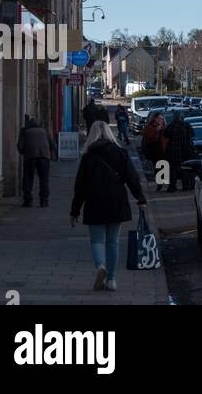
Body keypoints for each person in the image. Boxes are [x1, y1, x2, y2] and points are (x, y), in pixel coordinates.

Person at [70, 120, 147, 292]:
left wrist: (75, 210)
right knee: (113, 242)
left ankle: (100, 266)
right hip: (116, 200)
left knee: (97, 240)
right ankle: (111, 279)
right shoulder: (120, 153)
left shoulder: (88, 156)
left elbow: (80, 186)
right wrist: (140, 199)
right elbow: (132, 178)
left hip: (94, 200)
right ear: (109, 133)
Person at [17, 115, 53, 207]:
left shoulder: (24, 131)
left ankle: (28, 201)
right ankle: (44, 201)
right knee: (44, 179)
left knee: (28, 179)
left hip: (30, 157)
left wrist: (25, 151)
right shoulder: (44, 131)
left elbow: (20, 147)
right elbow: (53, 145)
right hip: (44, 157)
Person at [161, 111, 193, 192]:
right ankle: (186, 186)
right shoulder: (186, 125)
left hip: (174, 151)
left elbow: (165, 135)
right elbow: (192, 134)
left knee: (173, 170)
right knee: (185, 169)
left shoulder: (171, 126)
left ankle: (172, 187)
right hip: (185, 150)